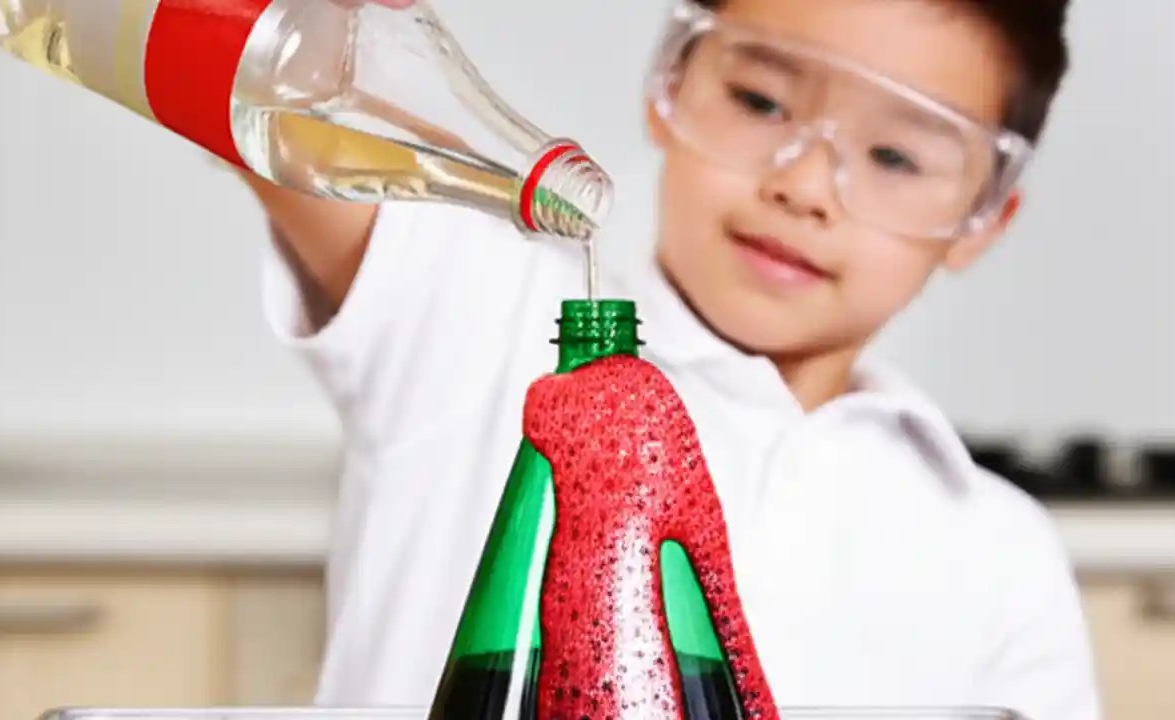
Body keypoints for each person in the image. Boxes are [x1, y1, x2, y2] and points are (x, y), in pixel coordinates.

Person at [240, 0, 1101, 717]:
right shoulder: (474, 308)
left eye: (895, 156)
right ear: (671, 83)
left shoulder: (997, 553)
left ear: (983, 217)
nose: (802, 187)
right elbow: (267, 83)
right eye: (762, 102)